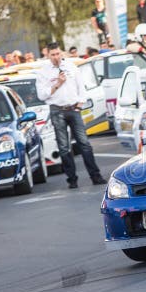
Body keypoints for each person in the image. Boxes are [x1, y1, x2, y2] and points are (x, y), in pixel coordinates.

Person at [35, 42, 105, 189]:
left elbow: (82, 87)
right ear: (48, 55)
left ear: (61, 53)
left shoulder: (71, 67)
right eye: (53, 55)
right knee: (63, 147)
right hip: (57, 110)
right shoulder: (43, 72)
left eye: (58, 54)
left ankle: (95, 176)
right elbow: (41, 95)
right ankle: (72, 180)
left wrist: (80, 104)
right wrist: (57, 84)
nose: (56, 57)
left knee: (84, 144)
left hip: (73, 109)